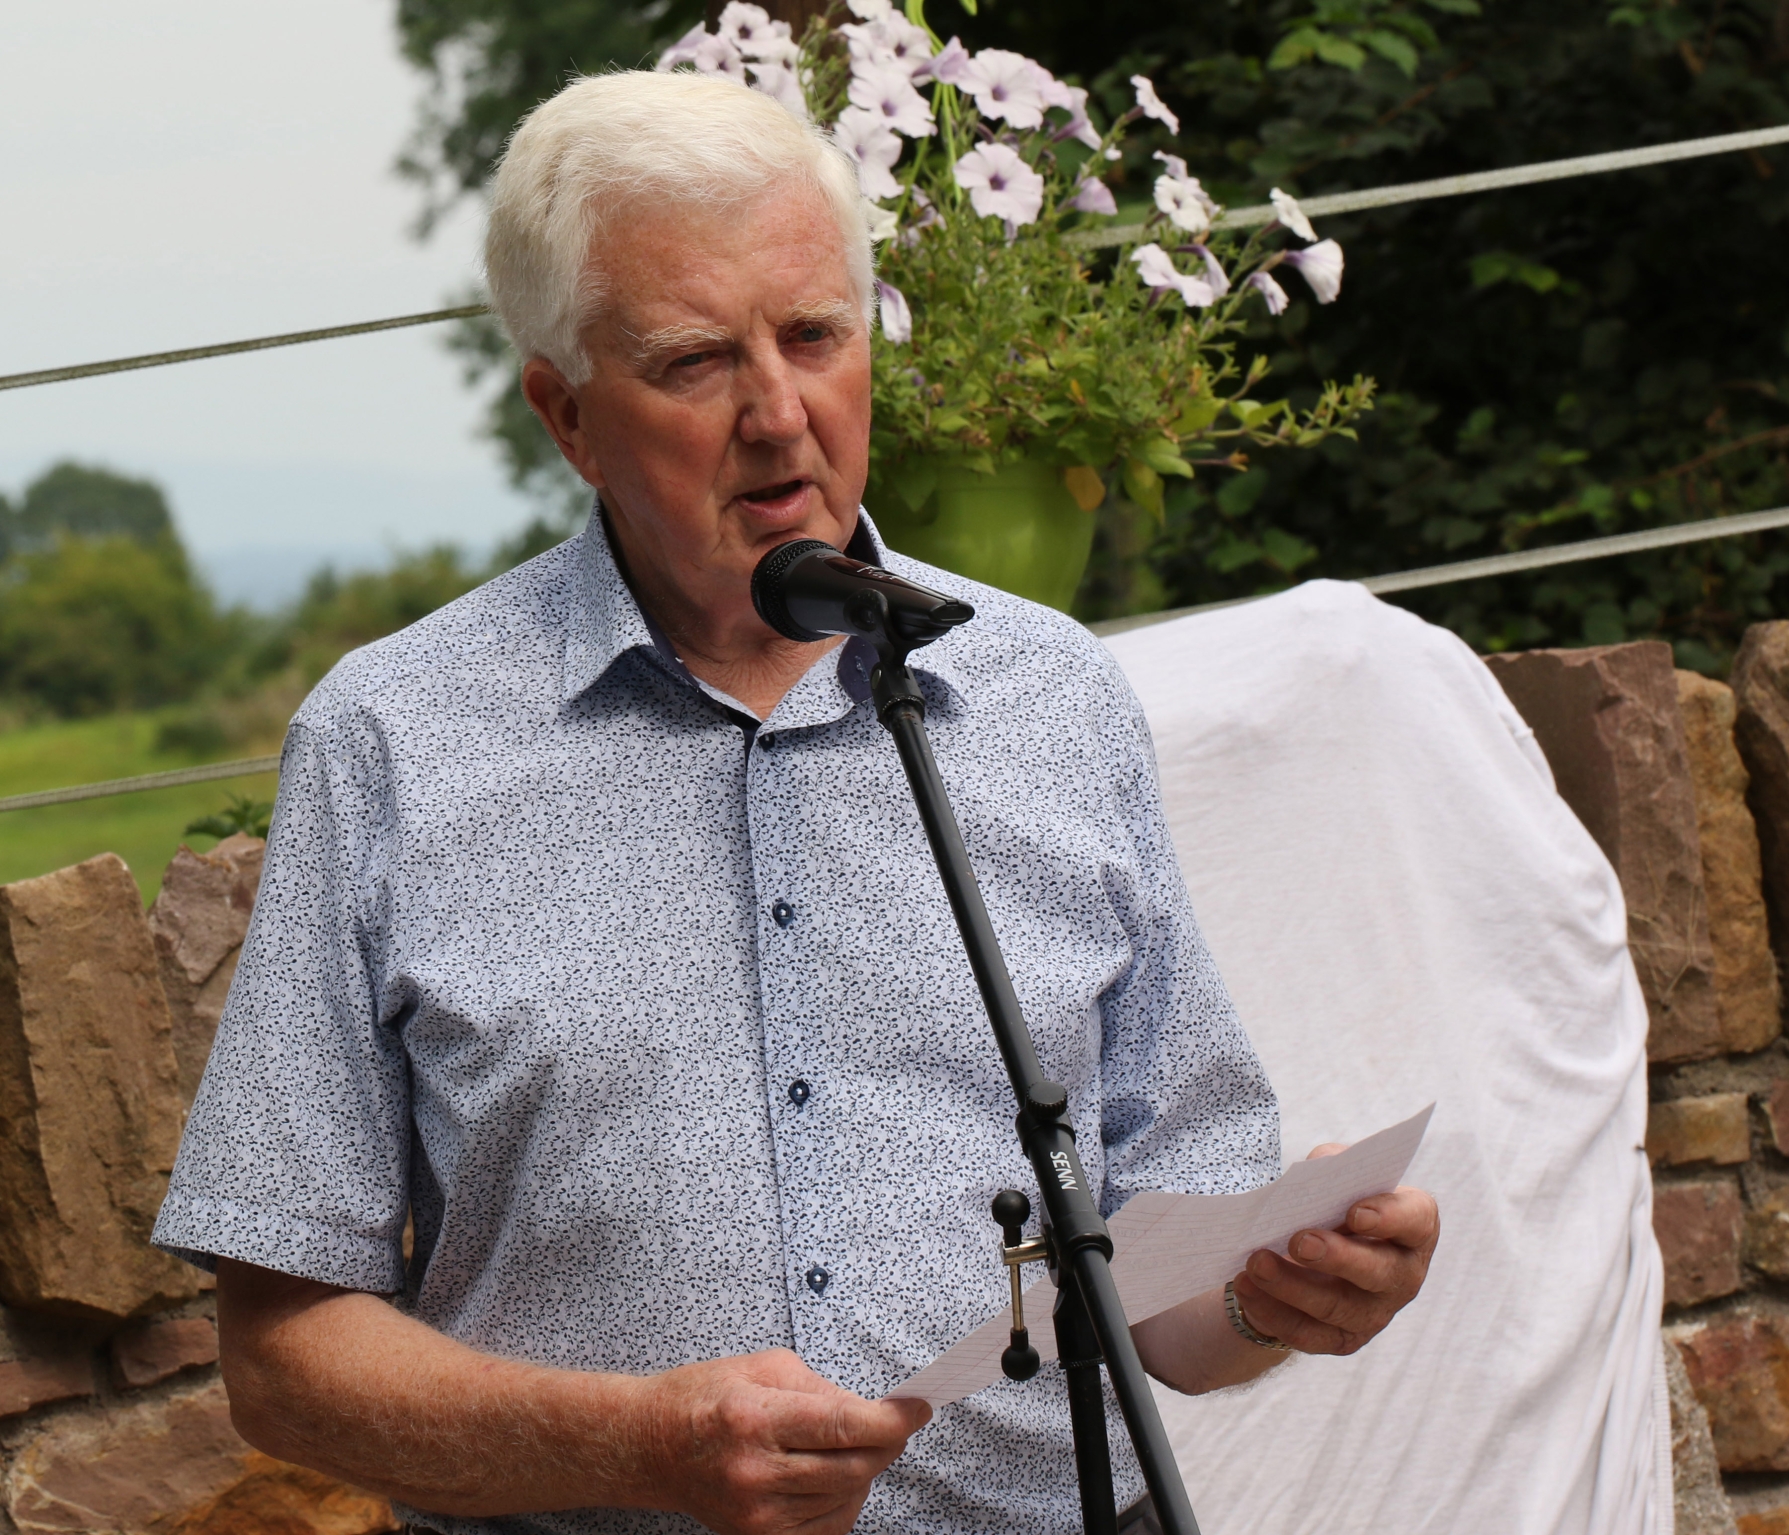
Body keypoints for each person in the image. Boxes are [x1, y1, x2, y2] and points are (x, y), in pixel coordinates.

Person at [154, 69, 1439, 1535]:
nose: (780, 415)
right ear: (567, 416)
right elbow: (283, 1360)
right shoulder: (393, 743)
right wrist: (633, 1444)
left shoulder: (1049, 695)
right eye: (697, 361)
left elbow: (1160, 1296)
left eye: (816, 336)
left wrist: (1277, 1292)